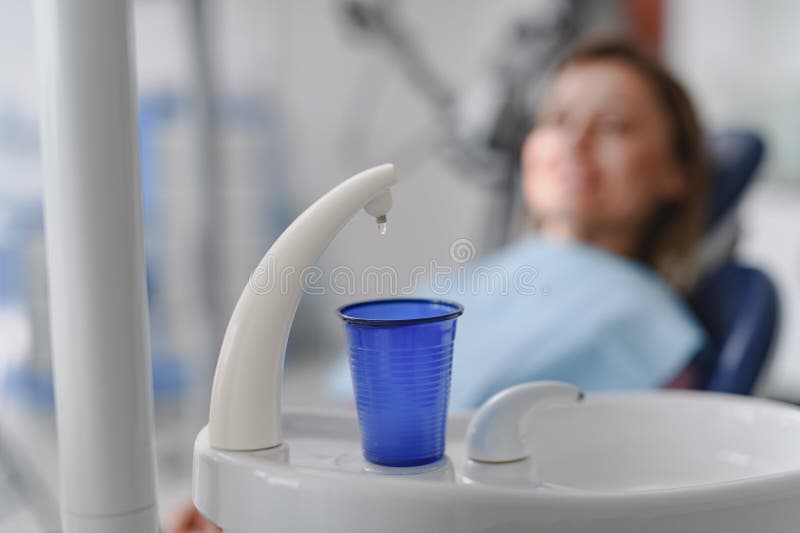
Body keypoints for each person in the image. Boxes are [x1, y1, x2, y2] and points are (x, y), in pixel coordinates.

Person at [172, 36, 709, 532]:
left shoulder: (648, 325)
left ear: (676, 172)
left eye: (614, 124)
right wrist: (247, 488)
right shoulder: (463, 283)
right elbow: (341, 421)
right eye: (557, 118)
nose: (575, 140)